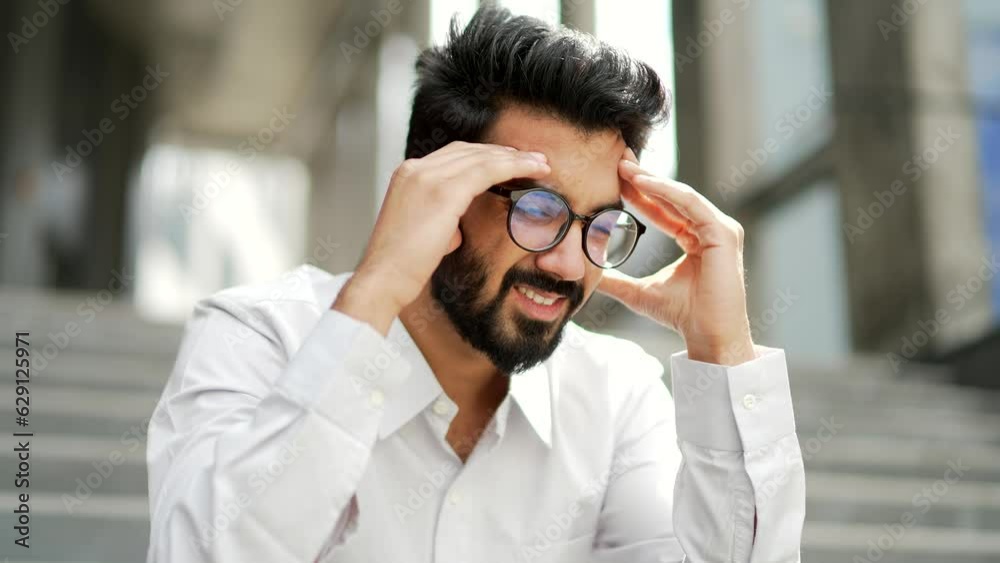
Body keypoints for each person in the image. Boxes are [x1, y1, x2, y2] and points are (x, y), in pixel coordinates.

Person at [146, 6, 804, 562]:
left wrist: (725, 350)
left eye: (601, 224)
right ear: (435, 190)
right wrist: (376, 290)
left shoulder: (616, 393)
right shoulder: (256, 335)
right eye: (538, 210)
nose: (571, 265)